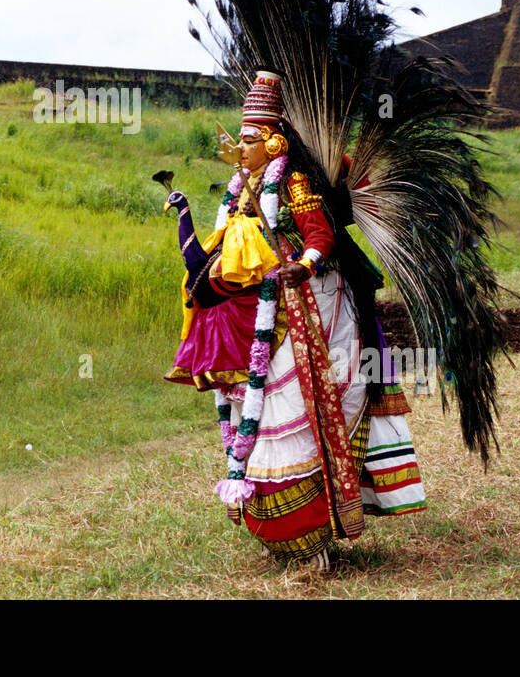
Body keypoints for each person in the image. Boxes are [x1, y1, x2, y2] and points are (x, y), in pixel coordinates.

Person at [163, 71, 424, 565]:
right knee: (251, 403)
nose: (238, 148)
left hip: (308, 297)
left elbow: (320, 237)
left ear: (274, 141)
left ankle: (314, 526)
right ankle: (272, 518)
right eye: (237, 140)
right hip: (255, 304)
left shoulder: (294, 181)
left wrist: (301, 267)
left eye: (249, 140)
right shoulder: (240, 188)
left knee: (300, 401)